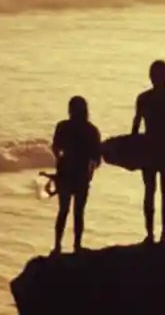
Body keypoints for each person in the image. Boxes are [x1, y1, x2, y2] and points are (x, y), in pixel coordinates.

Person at [132, 59, 165, 244]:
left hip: (149, 148)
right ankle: (164, 233)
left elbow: (135, 128)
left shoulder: (144, 98)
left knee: (150, 191)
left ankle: (150, 234)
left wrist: (132, 153)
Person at [50, 95, 101, 254]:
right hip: (81, 175)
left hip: (65, 173)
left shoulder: (63, 126)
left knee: (63, 211)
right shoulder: (91, 130)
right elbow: (96, 158)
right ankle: (76, 246)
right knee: (78, 212)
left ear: (70, 110)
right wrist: (91, 171)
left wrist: (60, 160)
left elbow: (55, 148)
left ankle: (57, 246)